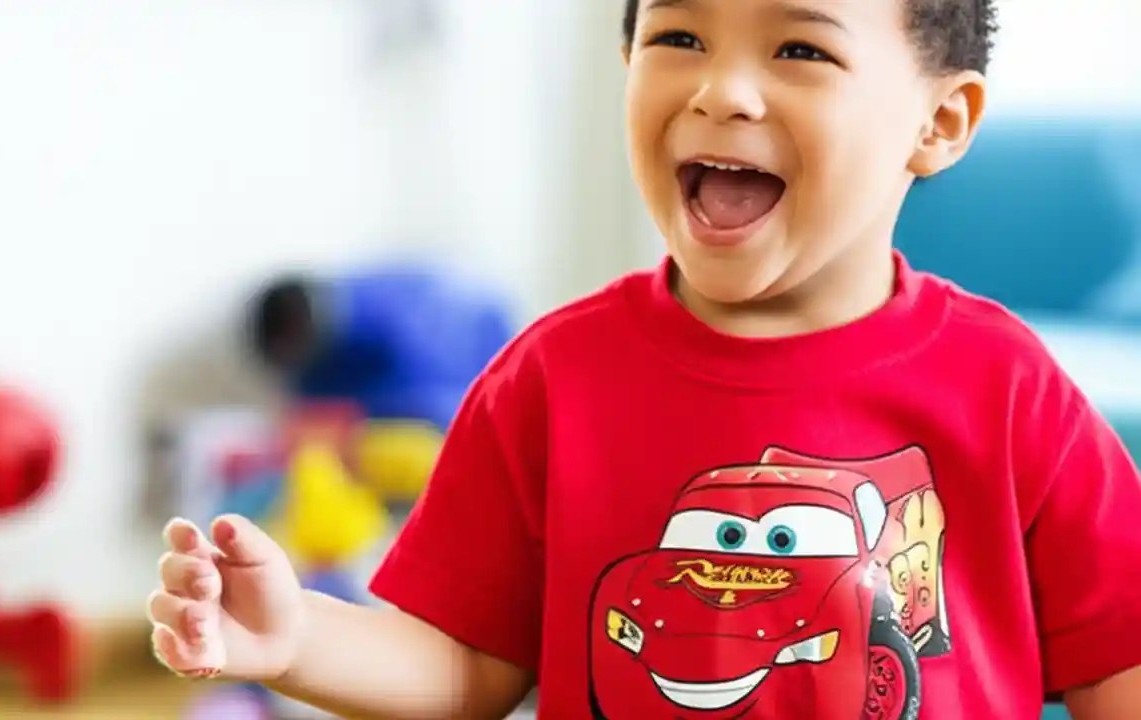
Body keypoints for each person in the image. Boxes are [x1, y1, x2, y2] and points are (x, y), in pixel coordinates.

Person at [146, 0, 1141, 717]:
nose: (721, 89)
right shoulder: (553, 379)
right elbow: (459, 667)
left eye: (798, 46)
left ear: (937, 121)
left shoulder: (1006, 388)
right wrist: (293, 636)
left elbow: (1118, 661)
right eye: (675, 37)